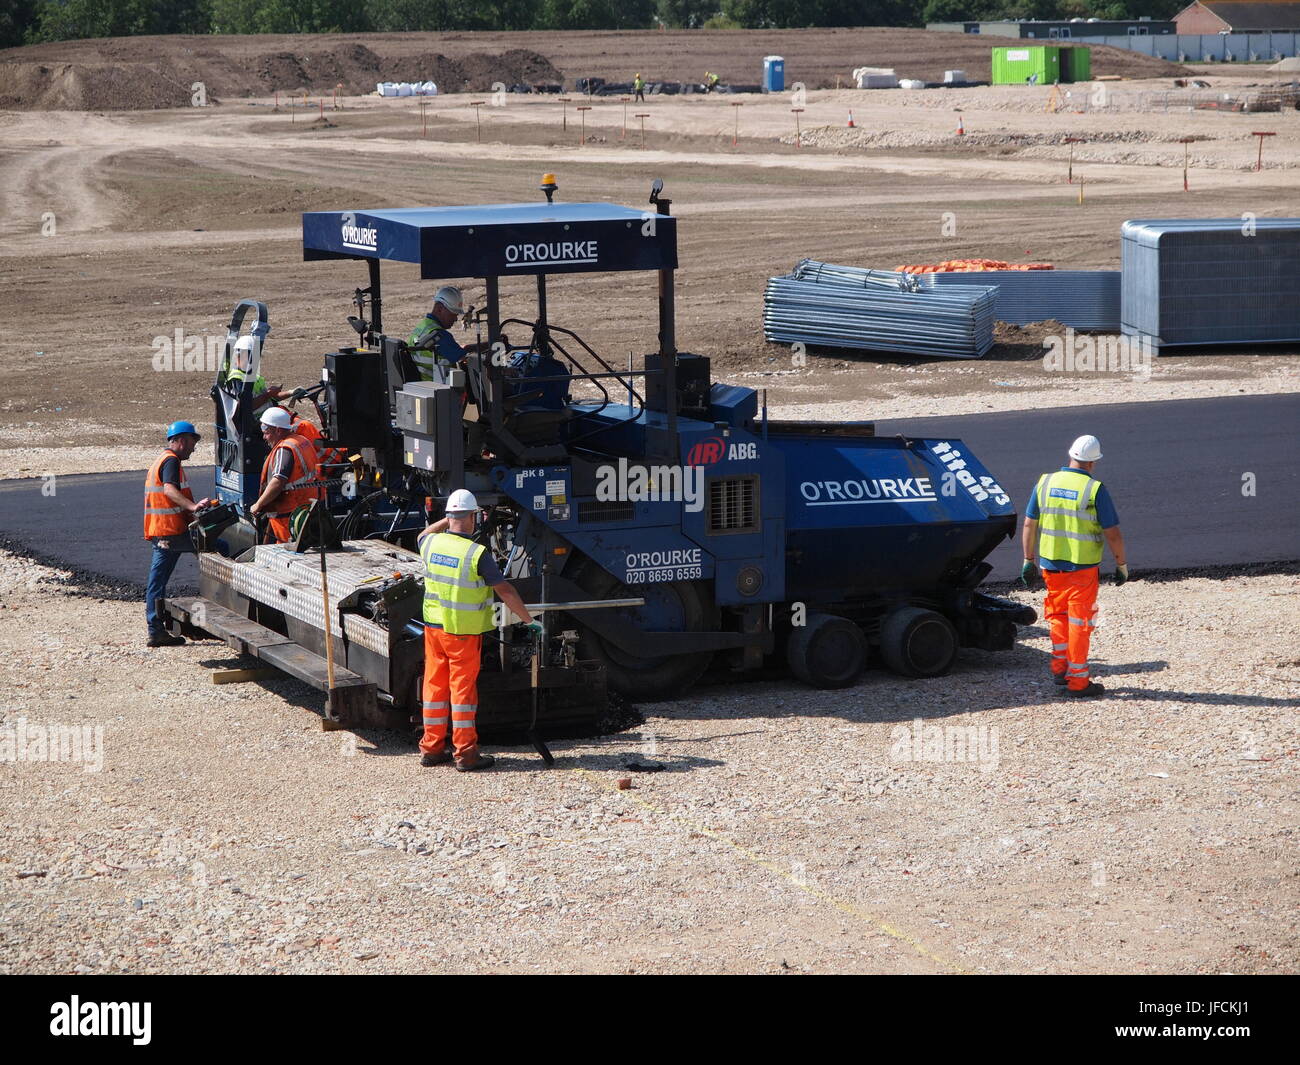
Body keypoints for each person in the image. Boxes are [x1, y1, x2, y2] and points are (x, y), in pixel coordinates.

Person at [417, 489, 538, 771]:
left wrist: (447, 520)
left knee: (434, 686)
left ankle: (432, 749)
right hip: (463, 634)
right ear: (473, 517)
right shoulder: (476, 553)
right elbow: (505, 590)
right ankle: (466, 754)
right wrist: (529, 620)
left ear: (449, 516)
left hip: (434, 630)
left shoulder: (431, 543)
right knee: (462, 693)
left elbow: (422, 534)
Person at [1020, 435, 1128, 697]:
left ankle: (1060, 669)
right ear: (1092, 463)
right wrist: (1121, 564)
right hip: (1082, 569)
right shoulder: (1094, 489)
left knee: (1057, 617)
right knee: (1080, 622)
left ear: (1070, 456)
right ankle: (1078, 682)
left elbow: (1029, 523)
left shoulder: (1045, 482)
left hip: (1051, 566)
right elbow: (1111, 532)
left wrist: (1028, 559)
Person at [143, 421, 210, 647]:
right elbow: (169, 490)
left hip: (163, 532)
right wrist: (193, 507)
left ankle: (155, 630)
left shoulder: (161, 460)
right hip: (172, 532)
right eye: (192, 442)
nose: (194, 447)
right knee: (218, 552)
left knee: (157, 581)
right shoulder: (171, 461)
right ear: (181, 440)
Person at [249, 406, 321, 543]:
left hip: (290, 514)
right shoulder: (301, 440)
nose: (264, 437)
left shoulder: (285, 449)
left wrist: (258, 505)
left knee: (287, 552)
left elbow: (278, 481)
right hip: (306, 509)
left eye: (266, 431)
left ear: (278, 430)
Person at [406, 286, 499, 382]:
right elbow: (468, 360)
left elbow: (460, 350)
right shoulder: (439, 335)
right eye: (453, 314)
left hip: (425, 385)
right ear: (439, 309)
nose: (455, 319)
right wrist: (501, 370)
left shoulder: (423, 326)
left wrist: (489, 345)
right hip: (441, 388)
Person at [223, 334, 283, 412]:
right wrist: (268, 394)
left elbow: (268, 398)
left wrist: (291, 393)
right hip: (255, 422)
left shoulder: (253, 375)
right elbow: (244, 408)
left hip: (266, 416)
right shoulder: (236, 378)